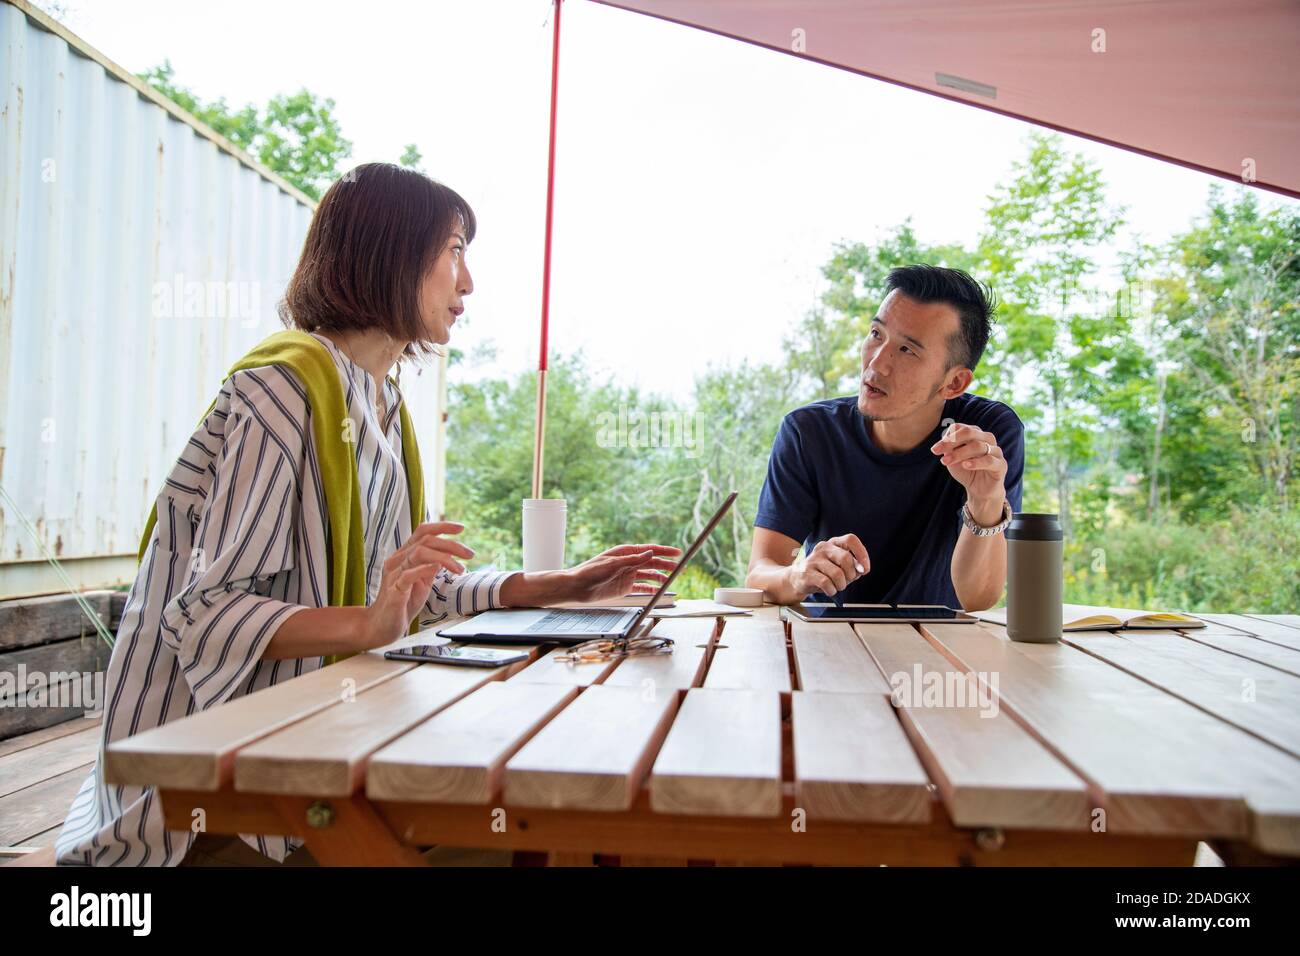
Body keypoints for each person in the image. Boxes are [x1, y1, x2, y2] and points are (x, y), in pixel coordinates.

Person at [55, 163, 679, 866]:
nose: (467, 282)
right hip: (201, 812)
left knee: (543, 822)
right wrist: (367, 624)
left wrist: (553, 587)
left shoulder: (383, 406)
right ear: (391, 253)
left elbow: (406, 597)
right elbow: (203, 615)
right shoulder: (283, 394)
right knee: (538, 832)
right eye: (454, 251)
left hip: (312, 745)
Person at [746, 265, 1023, 611]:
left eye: (907, 350)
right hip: (827, 644)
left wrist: (985, 501)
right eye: (876, 334)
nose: (876, 364)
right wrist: (799, 574)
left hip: (938, 648)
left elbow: (978, 598)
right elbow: (760, 574)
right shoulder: (809, 433)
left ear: (954, 383)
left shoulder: (986, 438)